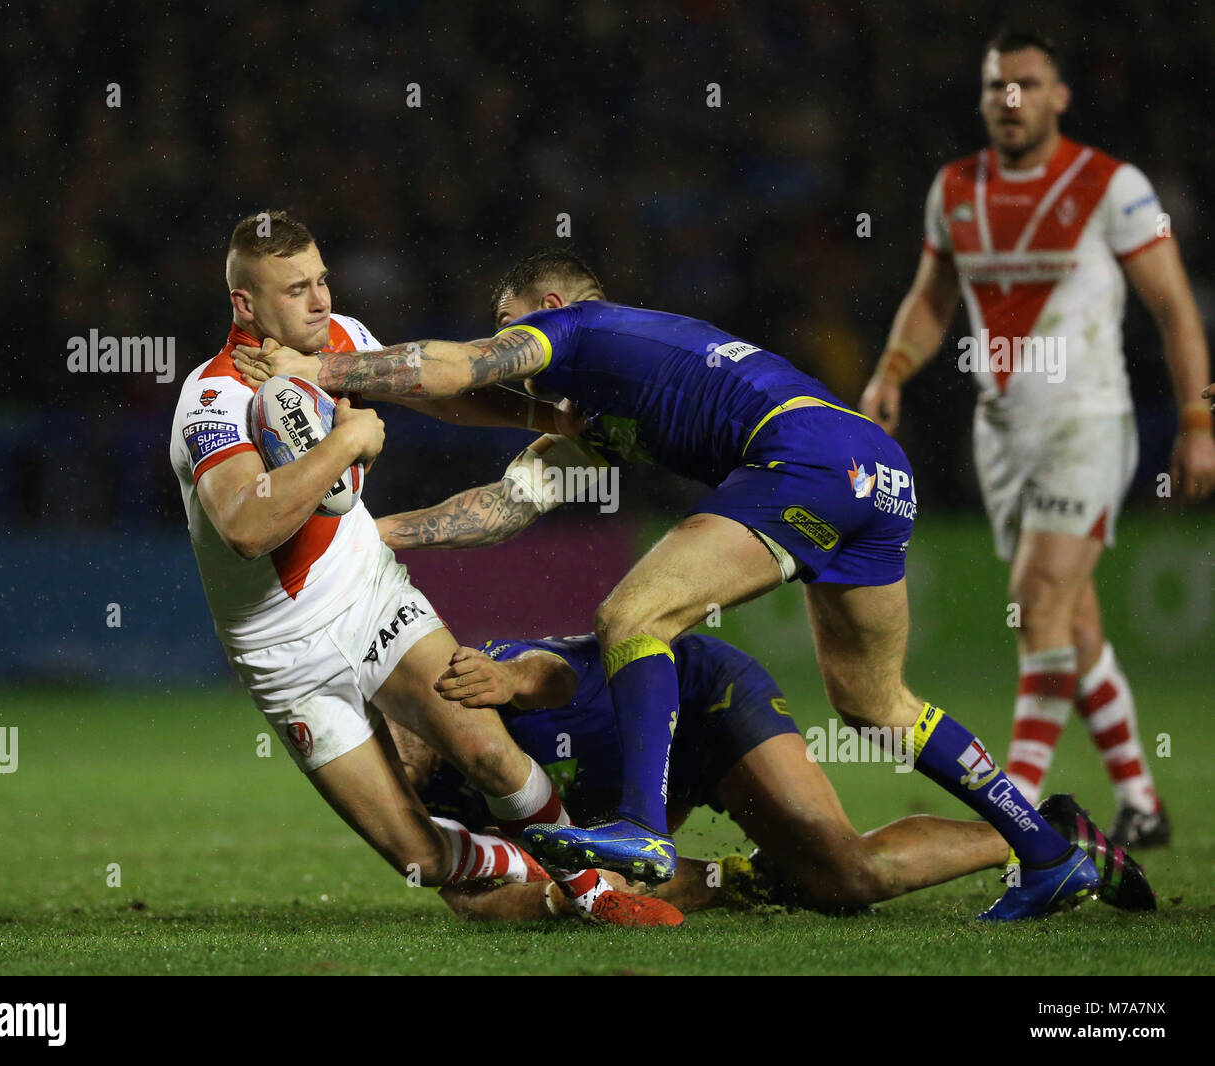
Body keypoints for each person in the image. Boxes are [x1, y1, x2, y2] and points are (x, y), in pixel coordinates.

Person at [235, 249, 1102, 921]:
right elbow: (506, 504)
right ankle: (1045, 848)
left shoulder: (578, 328)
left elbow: (458, 370)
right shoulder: (597, 415)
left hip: (805, 456)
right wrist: (365, 536)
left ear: (548, 308)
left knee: (633, 613)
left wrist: (324, 372)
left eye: (511, 332)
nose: (516, 361)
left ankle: (642, 826)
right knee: (876, 704)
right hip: (875, 471)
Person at [372, 444, 1155, 922]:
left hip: (703, 701)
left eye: (391, 721)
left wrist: (508, 680)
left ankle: (1036, 835)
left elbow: (555, 672)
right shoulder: (421, 802)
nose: (389, 750)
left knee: (849, 874)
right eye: (374, 733)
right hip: (637, 794)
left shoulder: (463, 678)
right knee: (814, 886)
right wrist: (561, 897)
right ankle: (742, 877)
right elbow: (470, 895)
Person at [169, 210, 680, 926]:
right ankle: (531, 864)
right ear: (245, 305)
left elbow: (440, 391)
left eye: (321, 280)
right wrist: (346, 442)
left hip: (370, 595)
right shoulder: (211, 398)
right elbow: (248, 529)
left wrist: (549, 421)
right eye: (295, 290)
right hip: (285, 655)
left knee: (489, 753)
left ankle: (595, 892)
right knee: (423, 858)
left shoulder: (339, 341)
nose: (319, 301)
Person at [859, 30, 1215, 848]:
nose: (1009, 100)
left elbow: (1174, 307)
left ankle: (1017, 820)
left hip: (1088, 423)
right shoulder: (954, 189)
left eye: (1026, 84)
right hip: (1003, 436)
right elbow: (930, 299)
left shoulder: (1111, 185)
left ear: (1060, 96)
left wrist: (1197, 420)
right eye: (996, 87)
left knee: (1041, 604)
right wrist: (890, 374)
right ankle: (1141, 801)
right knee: (1070, 620)